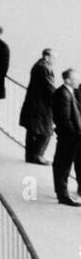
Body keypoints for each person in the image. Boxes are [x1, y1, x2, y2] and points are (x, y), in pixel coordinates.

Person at [49, 69, 81, 206]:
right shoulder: (63, 94)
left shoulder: (68, 92)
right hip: (69, 138)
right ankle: (63, 196)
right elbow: (65, 120)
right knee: (63, 166)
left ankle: (63, 194)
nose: (78, 81)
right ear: (68, 80)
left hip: (70, 138)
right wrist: (76, 135)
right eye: (75, 79)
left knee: (65, 165)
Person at [19, 48, 56, 164]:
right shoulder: (44, 68)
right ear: (47, 57)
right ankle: (38, 156)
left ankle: (30, 157)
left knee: (32, 131)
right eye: (53, 58)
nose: (55, 60)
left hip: (33, 103)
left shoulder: (39, 65)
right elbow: (50, 88)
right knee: (47, 131)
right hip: (40, 106)